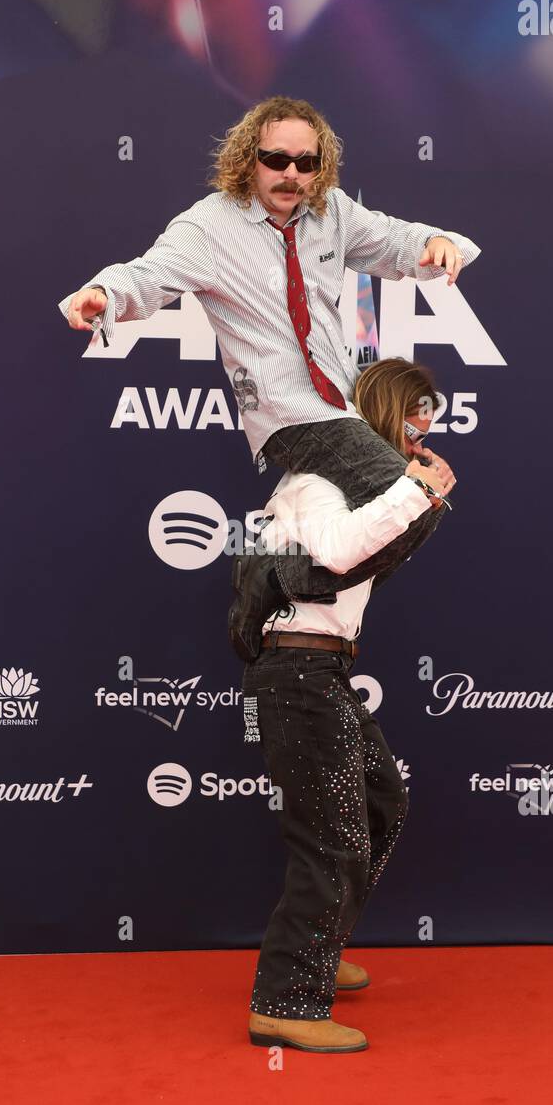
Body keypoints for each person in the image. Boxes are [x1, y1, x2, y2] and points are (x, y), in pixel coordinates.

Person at [58, 96, 480, 658]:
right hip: (288, 411)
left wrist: (436, 243)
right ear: (246, 159)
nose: (291, 174)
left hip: (339, 408)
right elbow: (149, 274)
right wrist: (103, 294)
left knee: (414, 510)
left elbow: (394, 241)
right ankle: (274, 583)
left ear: (320, 168)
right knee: (406, 493)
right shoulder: (209, 226)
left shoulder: (332, 215)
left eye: (306, 164)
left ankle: (274, 584)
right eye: (276, 159)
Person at [244, 358, 453, 1054]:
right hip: (299, 672)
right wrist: (414, 492)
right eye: (420, 414)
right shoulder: (320, 475)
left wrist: (421, 500)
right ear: (392, 413)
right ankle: (287, 1001)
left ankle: (319, 950)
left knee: (379, 803)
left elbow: (368, 561)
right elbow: (336, 555)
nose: (427, 430)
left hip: (319, 670)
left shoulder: (362, 481)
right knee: (333, 838)